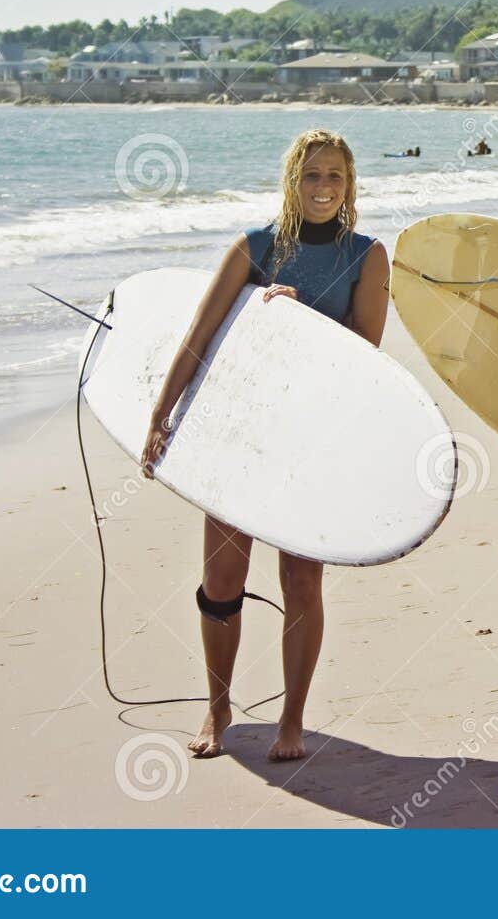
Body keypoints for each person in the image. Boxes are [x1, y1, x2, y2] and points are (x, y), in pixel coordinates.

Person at [140, 129, 389, 761]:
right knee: (221, 579)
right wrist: (160, 415)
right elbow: (200, 337)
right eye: (312, 176)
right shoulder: (253, 249)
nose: (324, 188)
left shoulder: (368, 256)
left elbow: (364, 358)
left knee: (301, 581)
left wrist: (297, 317)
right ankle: (218, 708)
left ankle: (292, 719)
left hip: (312, 441)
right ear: (292, 181)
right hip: (241, 438)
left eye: (335, 176)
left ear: (350, 183)